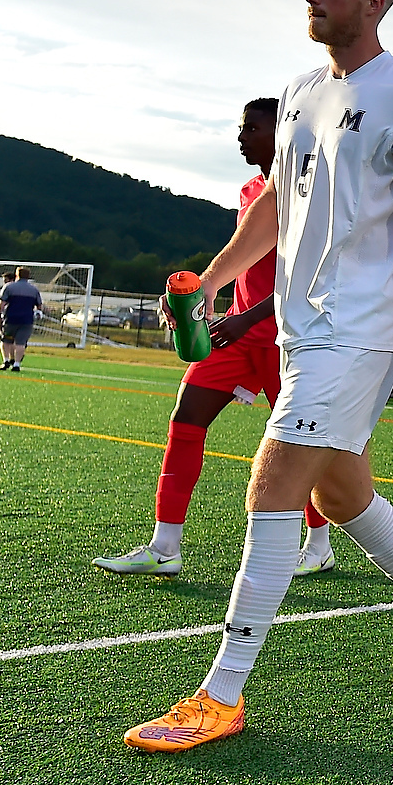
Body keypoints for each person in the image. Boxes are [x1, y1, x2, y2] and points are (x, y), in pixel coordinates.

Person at [125, 0, 393, 752]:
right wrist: (217, 279)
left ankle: (221, 694)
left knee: (275, 482)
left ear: (375, 3)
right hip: (300, 328)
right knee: (340, 497)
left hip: (359, 331)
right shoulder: (296, 92)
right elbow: (272, 214)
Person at [95, 98, 333, 578]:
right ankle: (165, 547)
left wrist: (251, 318)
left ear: (281, 131)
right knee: (186, 414)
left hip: (288, 335)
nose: (241, 136)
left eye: (252, 128)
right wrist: (201, 301)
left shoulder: (309, 190)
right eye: (241, 127)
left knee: (300, 442)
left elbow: (315, 272)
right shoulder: (249, 190)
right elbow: (244, 263)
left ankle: (319, 544)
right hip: (237, 334)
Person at [1, 267, 44, 371]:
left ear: (17, 275)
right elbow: (39, 306)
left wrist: (0, 314)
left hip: (10, 319)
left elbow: (2, 303)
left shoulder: (9, 287)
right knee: (21, 343)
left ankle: (6, 360)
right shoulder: (34, 290)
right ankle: (16, 364)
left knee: (6, 340)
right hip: (26, 320)